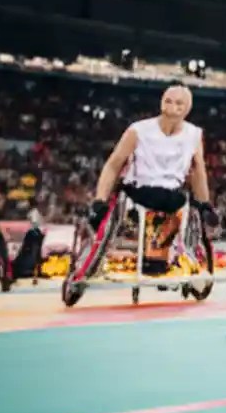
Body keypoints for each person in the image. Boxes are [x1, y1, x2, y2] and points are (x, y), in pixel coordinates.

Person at [90, 84, 215, 273]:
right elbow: (113, 165)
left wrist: (205, 203)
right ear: (162, 103)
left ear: (187, 108)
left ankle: (173, 256)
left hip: (172, 194)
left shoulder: (194, 134)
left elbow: (198, 170)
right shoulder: (139, 130)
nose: (173, 105)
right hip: (138, 190)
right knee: (111, 214)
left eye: (179, 102)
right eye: (169, 100)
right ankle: (96, 258)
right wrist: (100, 200)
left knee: (187, 206)